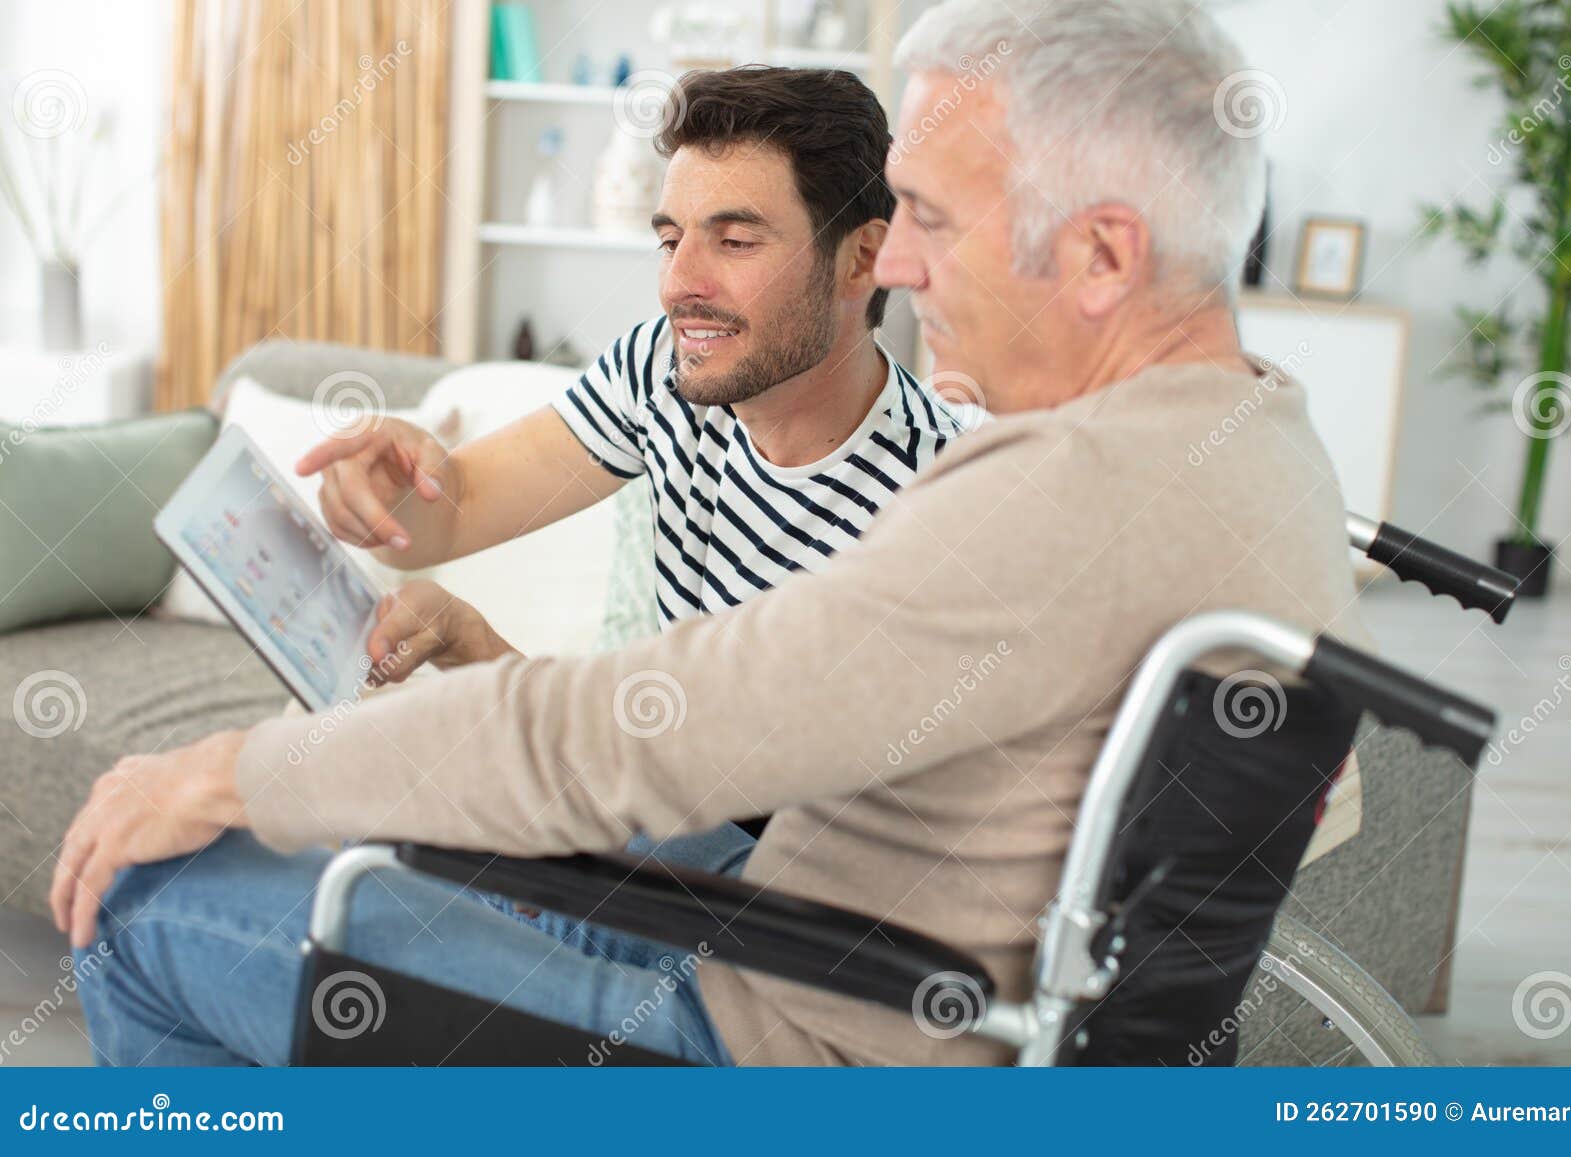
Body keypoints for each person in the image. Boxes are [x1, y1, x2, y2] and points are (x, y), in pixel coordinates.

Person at [60, 0, 1371, 1067]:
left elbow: (654, 731)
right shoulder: (1266, 445)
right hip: (812, 947)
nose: (906, 265)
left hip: (761, 1030)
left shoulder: (1049, 493)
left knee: (144, 902)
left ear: (1100, 256)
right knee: (391, 844)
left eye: (935, 219)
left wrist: (235, 766)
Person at [302, 66, 970, 684]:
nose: (678, 285)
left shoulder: (938, 503)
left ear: (862, 261)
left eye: (735, 241)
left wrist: (475, 650)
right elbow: (455, 508)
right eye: (671, 241)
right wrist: (393, 491)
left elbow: (714, 787)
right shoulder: (662, 370)